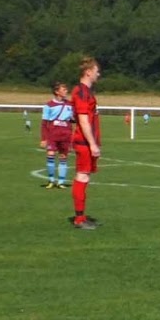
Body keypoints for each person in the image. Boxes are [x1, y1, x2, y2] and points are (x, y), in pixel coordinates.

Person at [68, 57, 103, 230]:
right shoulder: (81, 92)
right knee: (82, 176)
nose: (99, 74)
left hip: (86, 141)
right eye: (96, 70)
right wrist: (92, 144)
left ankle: (81, 217)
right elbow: (83, 120)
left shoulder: (86, 92)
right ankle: (79, 219)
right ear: (88, 72)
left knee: (85, 176)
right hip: (84, 142)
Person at [40, 82, 73, 189]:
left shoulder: (70, 104)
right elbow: (44, 123)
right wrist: (44, 138)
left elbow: (73, 119)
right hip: (52, 134)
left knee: (63, 157)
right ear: (57, 92)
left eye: (66, 89)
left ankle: (61, 182)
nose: (66, 91)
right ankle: (51, 180)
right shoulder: (48, 105)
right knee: (50, 155)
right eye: (63, 89)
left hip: (66, 135)